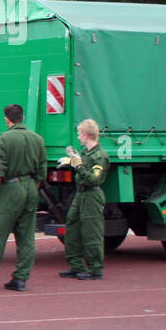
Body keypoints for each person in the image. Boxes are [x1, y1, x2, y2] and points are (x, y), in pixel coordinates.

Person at [0, 104, 47, 291]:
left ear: (7, 119)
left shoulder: (5, 138)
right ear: (23, 117)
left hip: (10, 188)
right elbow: (42, 170)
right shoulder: (37, 139)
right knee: (26, 236)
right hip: (30, 187)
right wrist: (31, 188)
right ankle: (20, 278)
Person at [60, 118, 110, 281]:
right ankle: (76, 265)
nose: (79, 137)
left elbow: (93, 179)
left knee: (91, 232)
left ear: (87, 135)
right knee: (72, 226)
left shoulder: (99, 156)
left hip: (91, 194)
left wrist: (79, 166)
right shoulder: (86, 153)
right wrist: (71, 161)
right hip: (80, 193)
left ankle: (95, 269)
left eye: (80, 134)